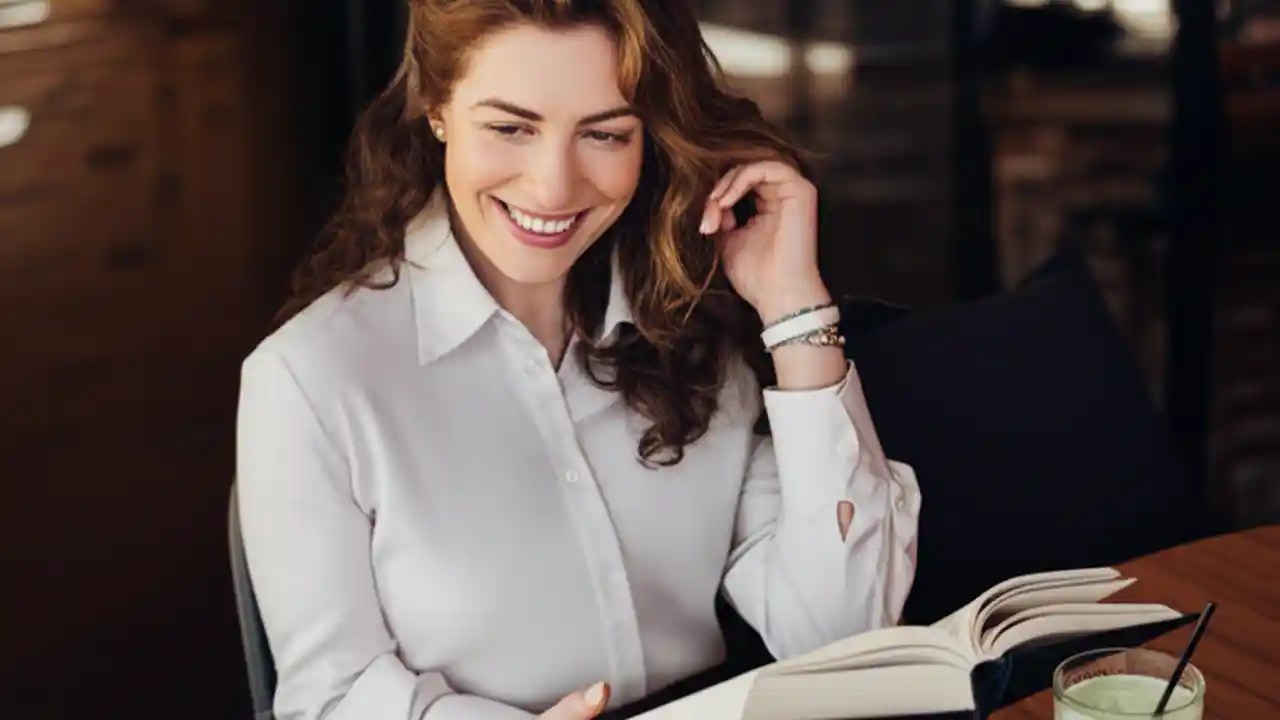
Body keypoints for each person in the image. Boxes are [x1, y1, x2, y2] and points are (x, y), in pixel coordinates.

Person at [235, 1, 921, 718]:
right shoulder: (308, 380)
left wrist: (793, 310)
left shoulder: (689, 330)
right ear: (437, 108)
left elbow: (847, 637)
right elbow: (330, 699)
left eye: (603, 134)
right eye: (509, 128)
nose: (553, 187)